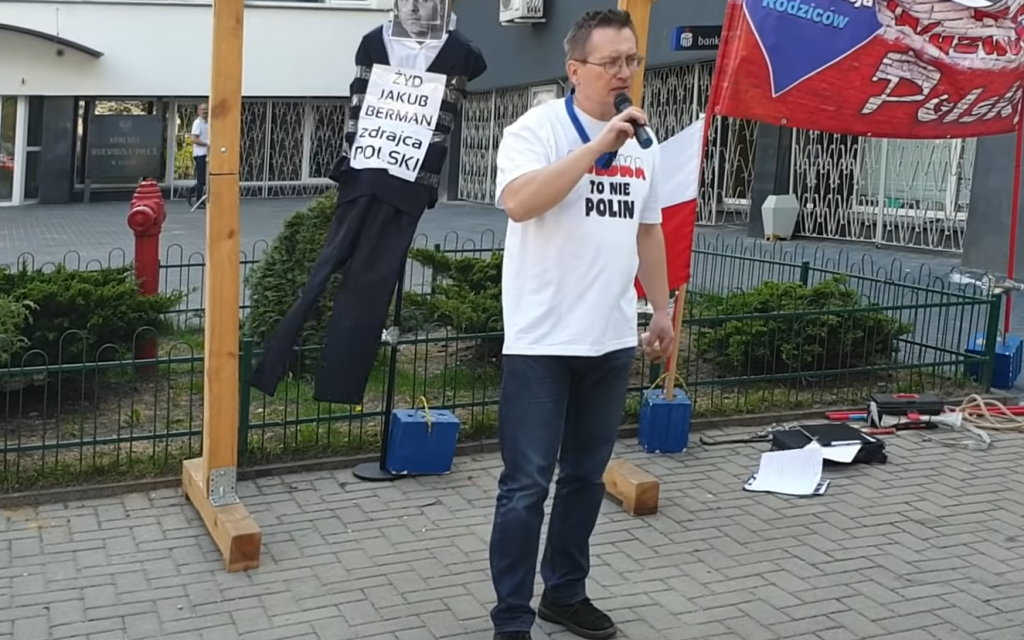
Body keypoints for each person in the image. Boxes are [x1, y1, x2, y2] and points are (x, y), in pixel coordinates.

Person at [487, 9, 673, 640]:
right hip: (541, 340)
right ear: (575, 69)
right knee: (525, 486)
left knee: (585, 478)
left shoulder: (645, 143)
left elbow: (648, 230)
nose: (624, 72)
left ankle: (564, 594)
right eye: (610, 62)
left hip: (610, 338)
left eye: (632, 60)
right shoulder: (535, 129)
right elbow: (520, 203)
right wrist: (596, 149)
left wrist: (661, 309)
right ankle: (512, 619)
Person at [188, 103, 209, 208]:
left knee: (205, 179)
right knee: (201, 179)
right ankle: (198, 200)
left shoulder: (207, 123)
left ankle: (191, 192)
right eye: (203, 109)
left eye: (206, 109)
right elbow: (194, 139)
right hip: (199, 154)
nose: (205, 111)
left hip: (207, 153)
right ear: (198, 111)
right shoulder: (197, 123)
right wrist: (207, 144)